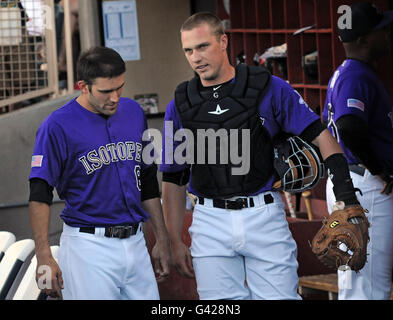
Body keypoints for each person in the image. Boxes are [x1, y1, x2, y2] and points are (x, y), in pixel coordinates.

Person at [160, 12, 362, 300]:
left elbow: (322, 136)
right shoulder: (179, 104)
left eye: (203, 46)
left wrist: (346, 196)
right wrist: (173, 239)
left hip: (262, 213)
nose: (196, 57)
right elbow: (173, 176)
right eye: (188, 50)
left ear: (223, 41)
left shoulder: (268, 87)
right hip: (208, 218)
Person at [28, 46, 170, 300]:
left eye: (120, 88)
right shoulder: (57, 125)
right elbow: (39, 192)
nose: (114, 97)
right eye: (106, 91)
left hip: (136, 241)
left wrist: (161, 237)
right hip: (89, 247)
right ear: (83, 86)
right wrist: (44, 255)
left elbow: (147, 179)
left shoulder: (134, 112)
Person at [324, 2, 393, 300]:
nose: (387, 34)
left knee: (357, 286)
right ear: (364, 40)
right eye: (382, 30)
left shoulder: (350, 72)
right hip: (364, 186)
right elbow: (349, 126)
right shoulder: (356, 76)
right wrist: (380, 169)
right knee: (368, 288)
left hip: (353, 184)